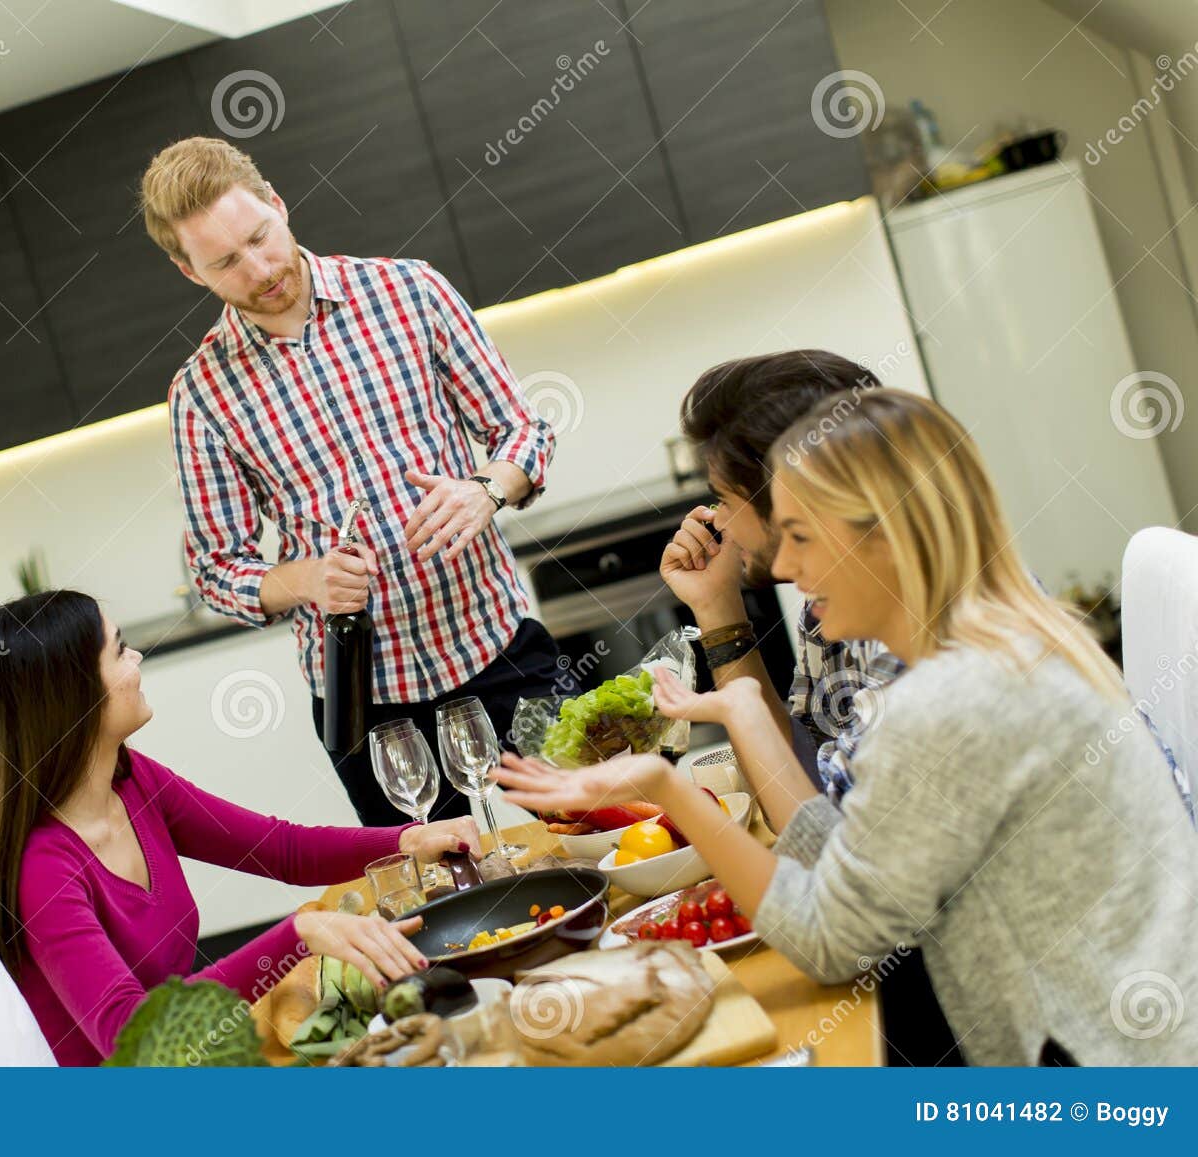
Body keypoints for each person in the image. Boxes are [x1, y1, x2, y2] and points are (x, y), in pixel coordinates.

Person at [496, 390, 1198, 1066]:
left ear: (884, 538)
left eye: (801, 536)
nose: (788, 567)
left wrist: (666, 788)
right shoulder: (1002, 639)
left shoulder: (947, 705)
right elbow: (860, 862)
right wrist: (746, 714)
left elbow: (834, 940)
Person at [141, 136, 565, 826]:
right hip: (365, 704)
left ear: (277, 205)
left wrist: (485, 490)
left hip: (497, 648)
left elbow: (522, 430)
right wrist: (305, 579)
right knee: (447, 907)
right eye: (225, 261)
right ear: (191, 272)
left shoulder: (410, 292)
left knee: (579, 849)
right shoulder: (201, 393)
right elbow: (217, 569)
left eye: (260, 236)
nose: (259, 268)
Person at [0, 590, 479, 1066]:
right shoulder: (43, 869)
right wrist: (296, 935)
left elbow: (280, 849)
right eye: (119, 650)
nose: (137, 659)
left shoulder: (131, 782)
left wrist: (405, 840)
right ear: (69, 697)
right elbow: (134, 1038)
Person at [660, 350, 900, 802]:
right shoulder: (830, 604)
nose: (719, 522)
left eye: (725, 499)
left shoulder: (907, 636)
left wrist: (668, 790)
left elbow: (823, 840)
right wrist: (717, 608)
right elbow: (804, 786)